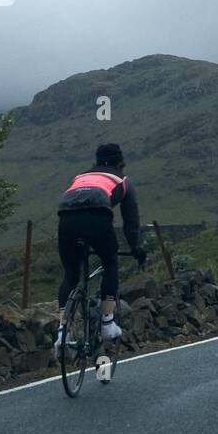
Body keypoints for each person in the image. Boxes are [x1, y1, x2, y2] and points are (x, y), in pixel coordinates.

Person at [54, 143, 147, 354]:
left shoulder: (80, 177)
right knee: (110, 262)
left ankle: (62, 332)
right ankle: (107, 323)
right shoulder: (122, 180)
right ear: (120, 162)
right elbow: (131, 223)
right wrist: (136, 248)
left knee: (70, 274)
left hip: (65, 218)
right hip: (96, 217)